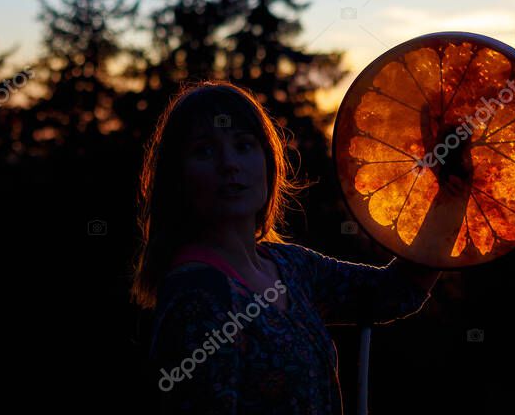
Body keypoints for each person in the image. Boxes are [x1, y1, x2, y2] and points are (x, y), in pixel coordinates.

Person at [130, 81, 440, 413]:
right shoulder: (197, 297)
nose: (229, 164)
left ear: (268, 161)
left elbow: (396, 291)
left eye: (243, 145)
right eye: (204, 150)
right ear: (177, 178)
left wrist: (447, 189)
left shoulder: (291, 265)